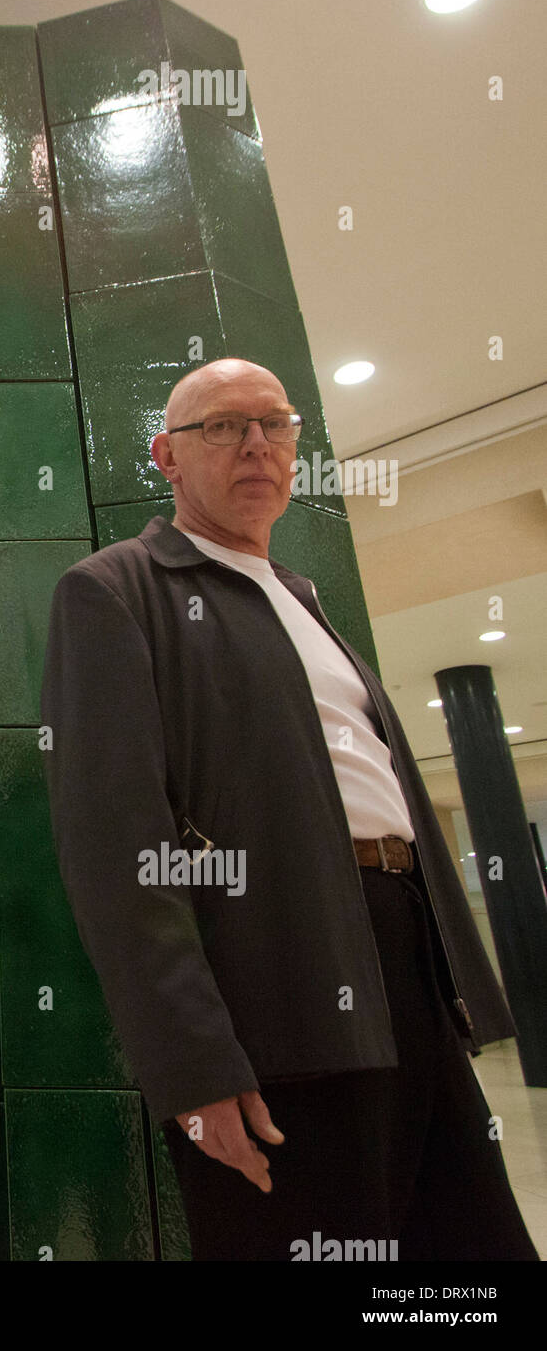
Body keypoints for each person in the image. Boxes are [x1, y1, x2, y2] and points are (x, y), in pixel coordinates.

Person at [39, 357, 538, 1261]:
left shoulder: (306, 600)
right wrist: (192, 1068)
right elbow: (116, 851)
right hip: (278, 999)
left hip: (409, 975)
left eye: (275, 423)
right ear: (168, 458)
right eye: (223, 426)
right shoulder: (115, 591)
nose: (257, 443)